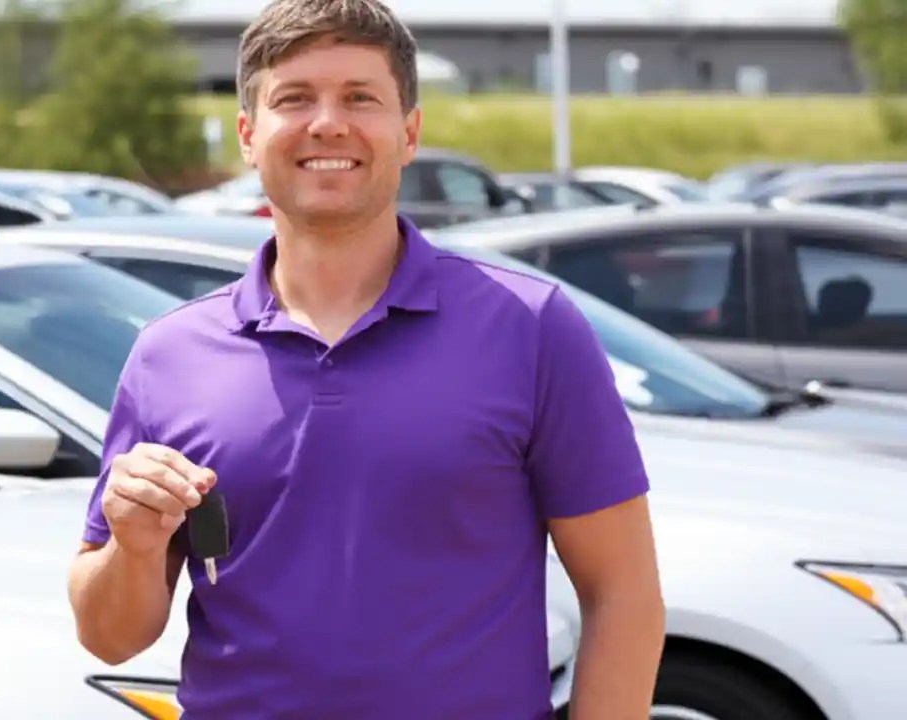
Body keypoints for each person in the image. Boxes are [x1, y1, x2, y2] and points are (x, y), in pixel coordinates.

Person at [68, 0, 665, 716]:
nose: (328, 123)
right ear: (248, 135)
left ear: (408, 132)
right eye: (294, 98)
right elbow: (109, 639)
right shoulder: (169, 355)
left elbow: (624, 595)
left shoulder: (530, 328)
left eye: (360, 98)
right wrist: (132, 548)